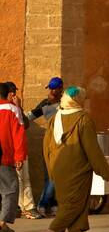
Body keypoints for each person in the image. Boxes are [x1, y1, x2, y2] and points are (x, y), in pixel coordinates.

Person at [35, 87, 109, 232]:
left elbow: (46, 146)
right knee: (73, 204)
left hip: (58, 168)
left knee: (72, 202)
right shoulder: (83, 119)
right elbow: (92, 149)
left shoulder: (55, 118)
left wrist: (51, 169)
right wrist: (105, 171)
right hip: (77, 169)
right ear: (78, 100)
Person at [27, 76, 63, 217]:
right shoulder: (46, 104)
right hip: (51, 142)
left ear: (60, 89)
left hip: (61, 143)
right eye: (50, 88)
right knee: (51, 176)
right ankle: (43, 203)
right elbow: (30, 116)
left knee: (53, 176)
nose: (52, 91)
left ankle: (53, 204)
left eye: (54, 88)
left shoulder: (64, 104)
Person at [2, 81, 38, 219]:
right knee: (16, 183)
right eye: (12, 92)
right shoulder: (10, 110)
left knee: (22, 180)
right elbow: (19, 132)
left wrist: (19, 107)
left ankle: (24, 207)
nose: (14, 94)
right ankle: (25, 208)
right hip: (13, 153)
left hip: (16, 152)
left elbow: (25, 125)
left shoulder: (15, 109)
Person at [0, 83, 27, 232]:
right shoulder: (12, 110)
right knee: (10, 189)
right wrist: (19, 157)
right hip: (5, 157)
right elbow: (19, 135)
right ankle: (2, 222)